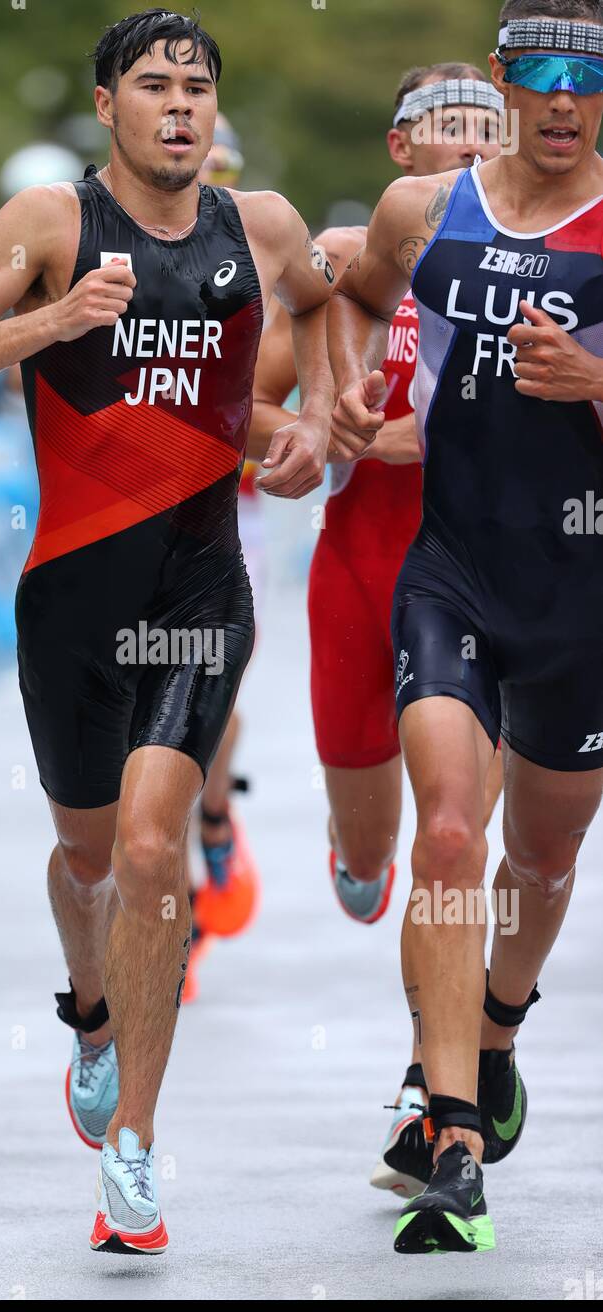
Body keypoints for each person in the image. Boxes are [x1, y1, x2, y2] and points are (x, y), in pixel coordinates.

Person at [0, 7, 334, 1255]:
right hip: (73, 600)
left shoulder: (264, 226)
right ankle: (88, 1011)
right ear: (106, 107)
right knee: (86, 859)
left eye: (196, 86)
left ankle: (133, 1150)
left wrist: (310, 421)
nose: (178, 106)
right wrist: (52, 321)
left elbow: (321, 306)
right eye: (152, 86)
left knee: (149, 851)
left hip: (200, 592)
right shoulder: (49, 226)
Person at [329, 0, 603, 1253]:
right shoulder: (422, 210)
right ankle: (448, 1137)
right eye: (541, 71)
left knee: (538, 860)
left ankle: (491, 1040)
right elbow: (352, 296)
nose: (565, 98)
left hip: (580, 596)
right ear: (502, 81)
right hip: (450, 574)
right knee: (446, 829)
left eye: (588, 76)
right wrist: (343, 395)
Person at [249, 65, 504, 1197]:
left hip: (479, 589)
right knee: (373, 855)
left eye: (487, 133)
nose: (471, 150)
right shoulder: (355, 266)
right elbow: (246, 398)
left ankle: (427, 1087)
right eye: (448, 132)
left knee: (452, 839)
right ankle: (352, 852)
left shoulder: (537, 267)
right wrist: (323, 424)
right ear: (402, 153)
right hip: (360, 582)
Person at [184, 111, 263, 1003]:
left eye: (222, 167)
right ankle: (168, 929)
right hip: (129, 522)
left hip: (230, 522)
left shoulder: (255, 253)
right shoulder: (105, 248)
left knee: (213, 695)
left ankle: (214, 815)